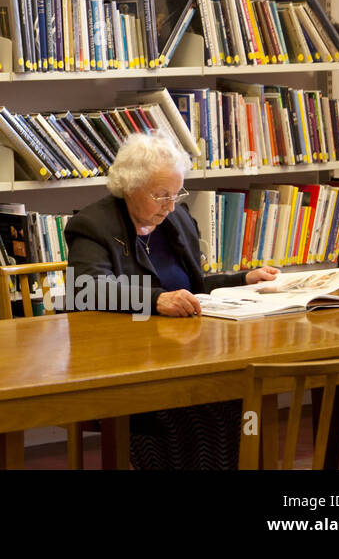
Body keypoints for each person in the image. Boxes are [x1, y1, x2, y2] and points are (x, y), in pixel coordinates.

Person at [63, 131, 280, 469]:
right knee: (190, 412)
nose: (169, 204)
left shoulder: (177, 220)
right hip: (127, 364)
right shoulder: (93, 224)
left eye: (176, 193)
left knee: (236, 398)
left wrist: (243, 279)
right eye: (160, 195)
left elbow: (194, 287)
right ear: (129, 187)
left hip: (184, 355)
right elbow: (87, 289)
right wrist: (156, 300)